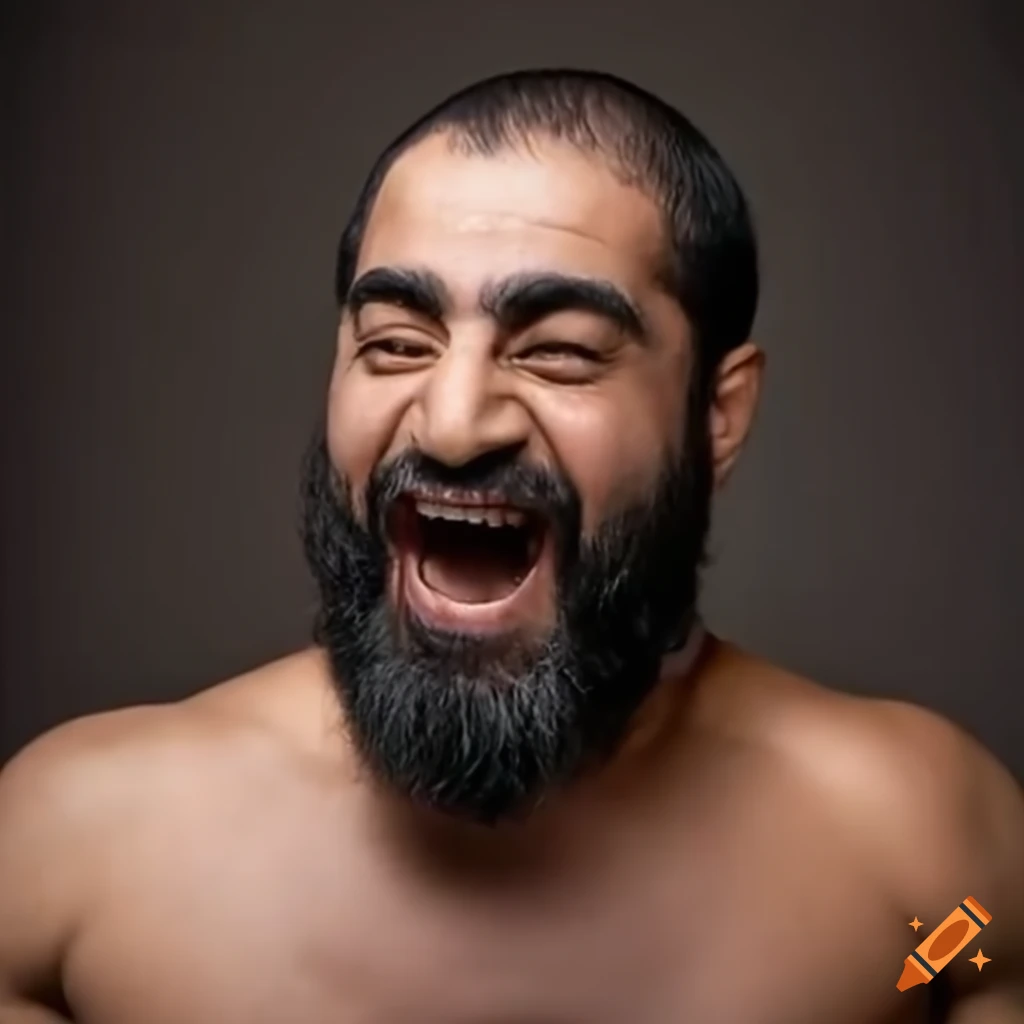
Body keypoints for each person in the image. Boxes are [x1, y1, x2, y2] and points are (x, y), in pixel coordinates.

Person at [1, 69, 1021, 1024]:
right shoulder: (75, 874)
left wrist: (898, 979)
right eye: (396, 342)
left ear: (718, 413)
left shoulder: (931, 879)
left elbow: (952, 963)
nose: (451, 423)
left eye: (560, 351)